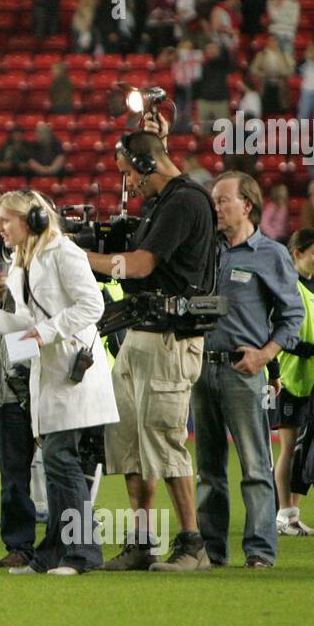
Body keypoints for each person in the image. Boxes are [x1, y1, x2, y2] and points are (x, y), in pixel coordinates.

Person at [83, 123, 219, 572]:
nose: (129, 183)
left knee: (164, 438)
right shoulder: (165, 203)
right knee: (130, 444)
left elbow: (140, 266)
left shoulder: (185, 201)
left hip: (170, 338)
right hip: (142, 333)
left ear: (146, 162)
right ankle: (143, 542)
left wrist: (78, 258)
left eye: (129, 173)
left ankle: (192, 543)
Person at [0, 190, 119, 574]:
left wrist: (48, 330)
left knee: (60, 457)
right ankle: (54, 553)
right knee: (56, 460)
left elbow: (93, 305)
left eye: (6, 220)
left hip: (73, 371)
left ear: (32, 220)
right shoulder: (24, 261)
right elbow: (26, 322)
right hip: (51, 372)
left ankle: (81, 554)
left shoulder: (64, 253)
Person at [192, 173, 304, 570]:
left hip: (243, 370)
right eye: (214, 201)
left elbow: (293, 315)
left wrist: (265, 354)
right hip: (201, 368)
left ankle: (259, 552)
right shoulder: (206, 250)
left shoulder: (271, 254)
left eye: (223, 201)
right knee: (208, 469)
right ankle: (213, 550)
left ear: (247, 206)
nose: (216, 208)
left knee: (256, 466)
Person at [273, 228, 314, 537]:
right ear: (297, 254)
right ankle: (284, 514)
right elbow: (281, 334)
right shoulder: (287, 288)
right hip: (290, 378)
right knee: (289, 449)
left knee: (308, 450)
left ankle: (291, 513)